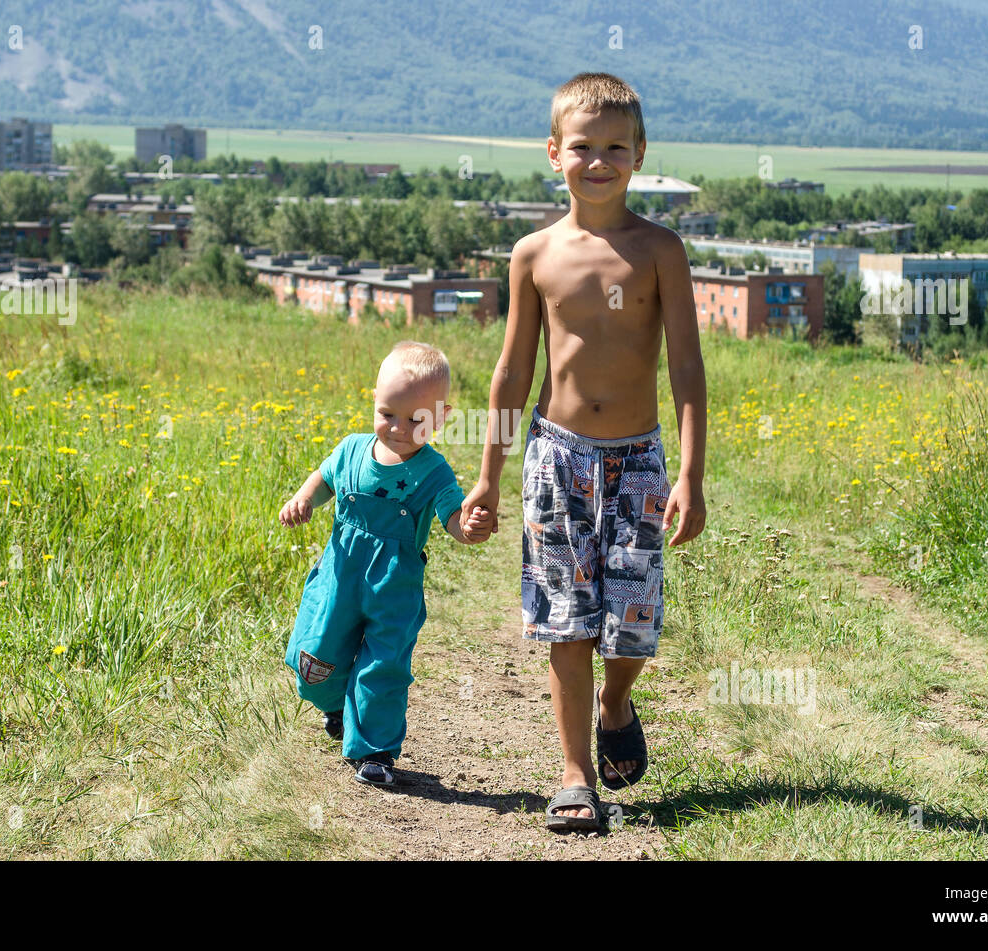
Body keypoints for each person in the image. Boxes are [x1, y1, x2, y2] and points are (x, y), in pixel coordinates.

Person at [461, 72, 708, 831]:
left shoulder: (661, 250)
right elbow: (512, 373)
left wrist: (691, 475)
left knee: (630, 624)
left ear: (639, 154)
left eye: (613, 148)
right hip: (555, 459)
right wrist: (488, 477)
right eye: (581, 148)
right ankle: (573, 777)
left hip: (637, 460)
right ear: (553, 153)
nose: (597, 162)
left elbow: (687, 368)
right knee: (565, 620)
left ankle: (615, 699)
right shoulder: (533, 254)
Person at [281, 341, 490, 786]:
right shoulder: (352, 449)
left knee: (383, 666)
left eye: (415, 420)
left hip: (394, 590)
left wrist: (466, 527)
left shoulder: (434, 472)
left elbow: (450, 515)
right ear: (373, 400)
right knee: (314, 659)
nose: (397, 428)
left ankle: (375, 749)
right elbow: (324, 479)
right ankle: (338, 706)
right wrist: (304, 499)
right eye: (386, 413)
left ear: (441, 417)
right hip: (339, 578)